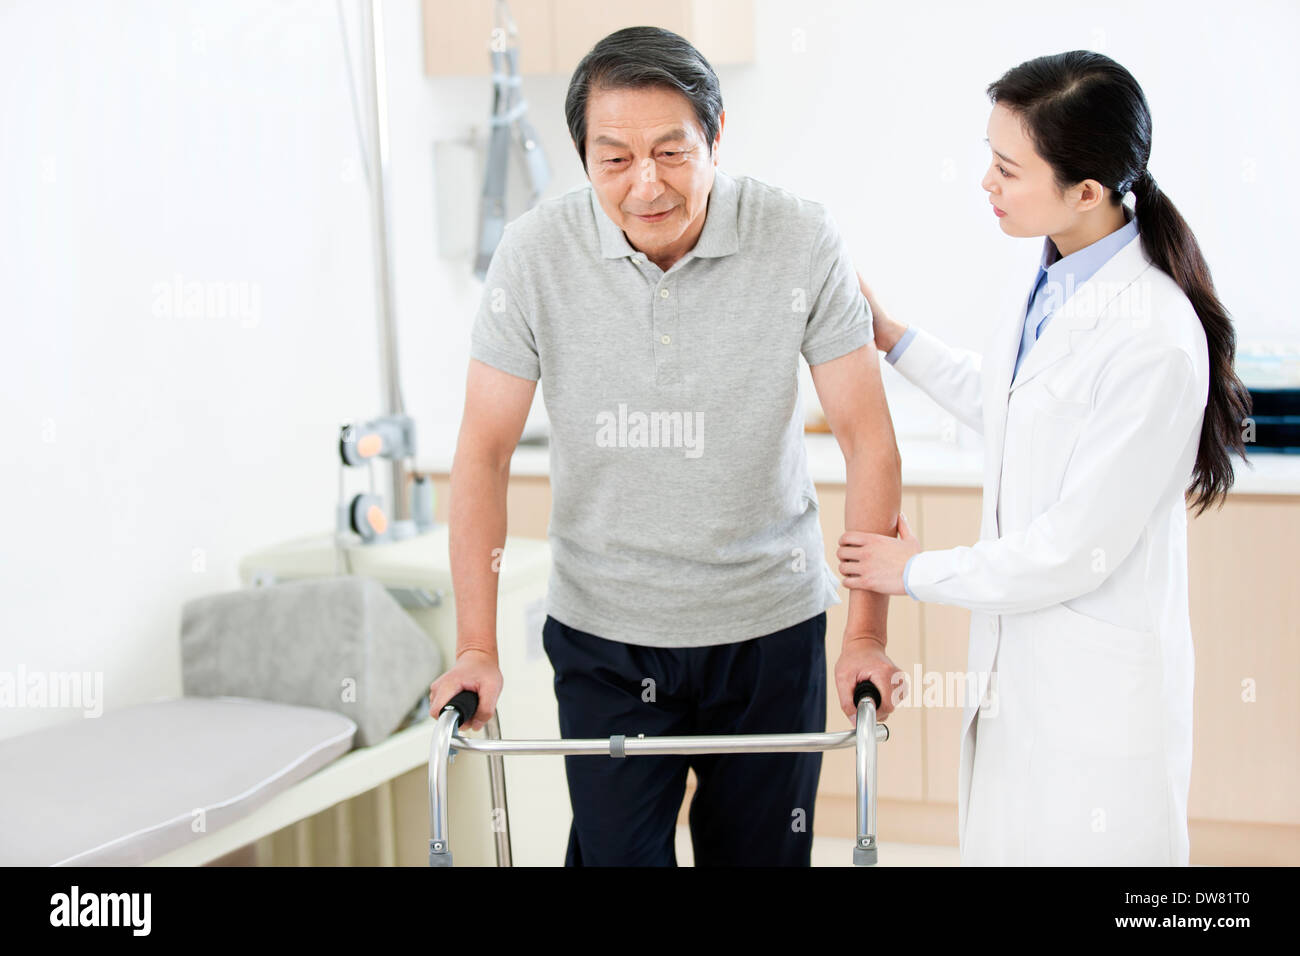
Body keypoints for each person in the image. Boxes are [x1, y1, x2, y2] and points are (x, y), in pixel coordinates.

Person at [428, 26, 906, 866]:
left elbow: (870, 440)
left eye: (671, 152)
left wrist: (864, 632)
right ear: (582, 158)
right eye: (613, 159)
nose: (645, 184)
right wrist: (476, 647)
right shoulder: (536, 254)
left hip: (770, 630)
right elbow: (483, 454)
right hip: (606, 638)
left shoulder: (799, 237)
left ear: (717, 135)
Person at [838, 50, 1251, 866]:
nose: (985, 183)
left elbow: (1073, 548)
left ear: (1087, 191)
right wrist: (895, 339)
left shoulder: (1154, 336)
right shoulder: (1057, 277)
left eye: (1006, 168)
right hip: (1025, 665)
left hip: (1096, 689)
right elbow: (1014, 402)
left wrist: (914, 572)